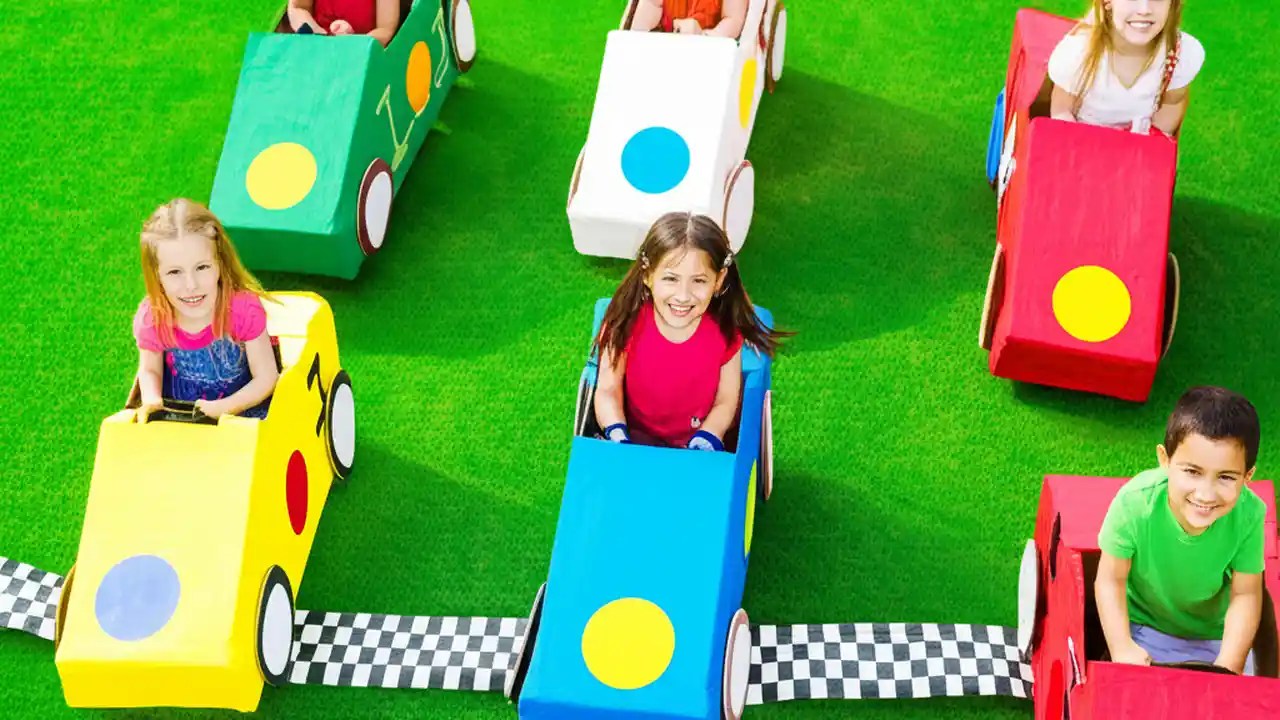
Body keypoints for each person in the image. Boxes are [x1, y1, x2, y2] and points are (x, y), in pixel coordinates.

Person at [1095, 386, 1265, 675]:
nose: (1206, 494)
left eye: (1225, 477)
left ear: (1248, 476)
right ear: (1165, 461)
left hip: (1216, 638)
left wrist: (1229, 664)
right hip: (1144, 628)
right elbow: (1110, 579)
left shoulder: (1249, 514)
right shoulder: (1136, 502)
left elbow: (1246, 594)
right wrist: (1121, 646)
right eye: (1192, 472)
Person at [591, 211, 787, 451]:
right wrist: (617, 433)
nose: (683, 296)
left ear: (719, 279)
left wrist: (709, 436)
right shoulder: (624, 321)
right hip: (635, 440)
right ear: (648, 274)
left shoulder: (725, 330)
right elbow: (608, 389)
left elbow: (726, 400)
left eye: (699, 281)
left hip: (701, 443)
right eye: (671, 279)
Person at [132, 198, 280, 421]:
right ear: (157, 277)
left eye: (202, 267)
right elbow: (149, 369)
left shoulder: (242, 310)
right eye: (175, 272)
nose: (191, 285)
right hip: (183, 413)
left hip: (242, 409)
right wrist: (152, 399)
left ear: (220, 264)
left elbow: (266, 377)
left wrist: (224, 408)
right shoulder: (153, 317)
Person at [1047, 0, 1204, 136]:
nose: (1144, 10)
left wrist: (1153, 146)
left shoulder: (1180, 54)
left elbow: (1172, 103)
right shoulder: (1077, 53)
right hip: (1084, 140)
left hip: (1139, 146)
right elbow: (1062, 109)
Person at [287, 0, 400, 47]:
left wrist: (351, 43)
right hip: (317, 45)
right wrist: (318, 34)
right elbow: (298, 8)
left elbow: (385, 30)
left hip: (361, 54)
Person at [629, 0, 748, 38]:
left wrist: (704, 36)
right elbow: (651, 4)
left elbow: (733, 19)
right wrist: (638, 34)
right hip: (666, 41)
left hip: (709, 47)